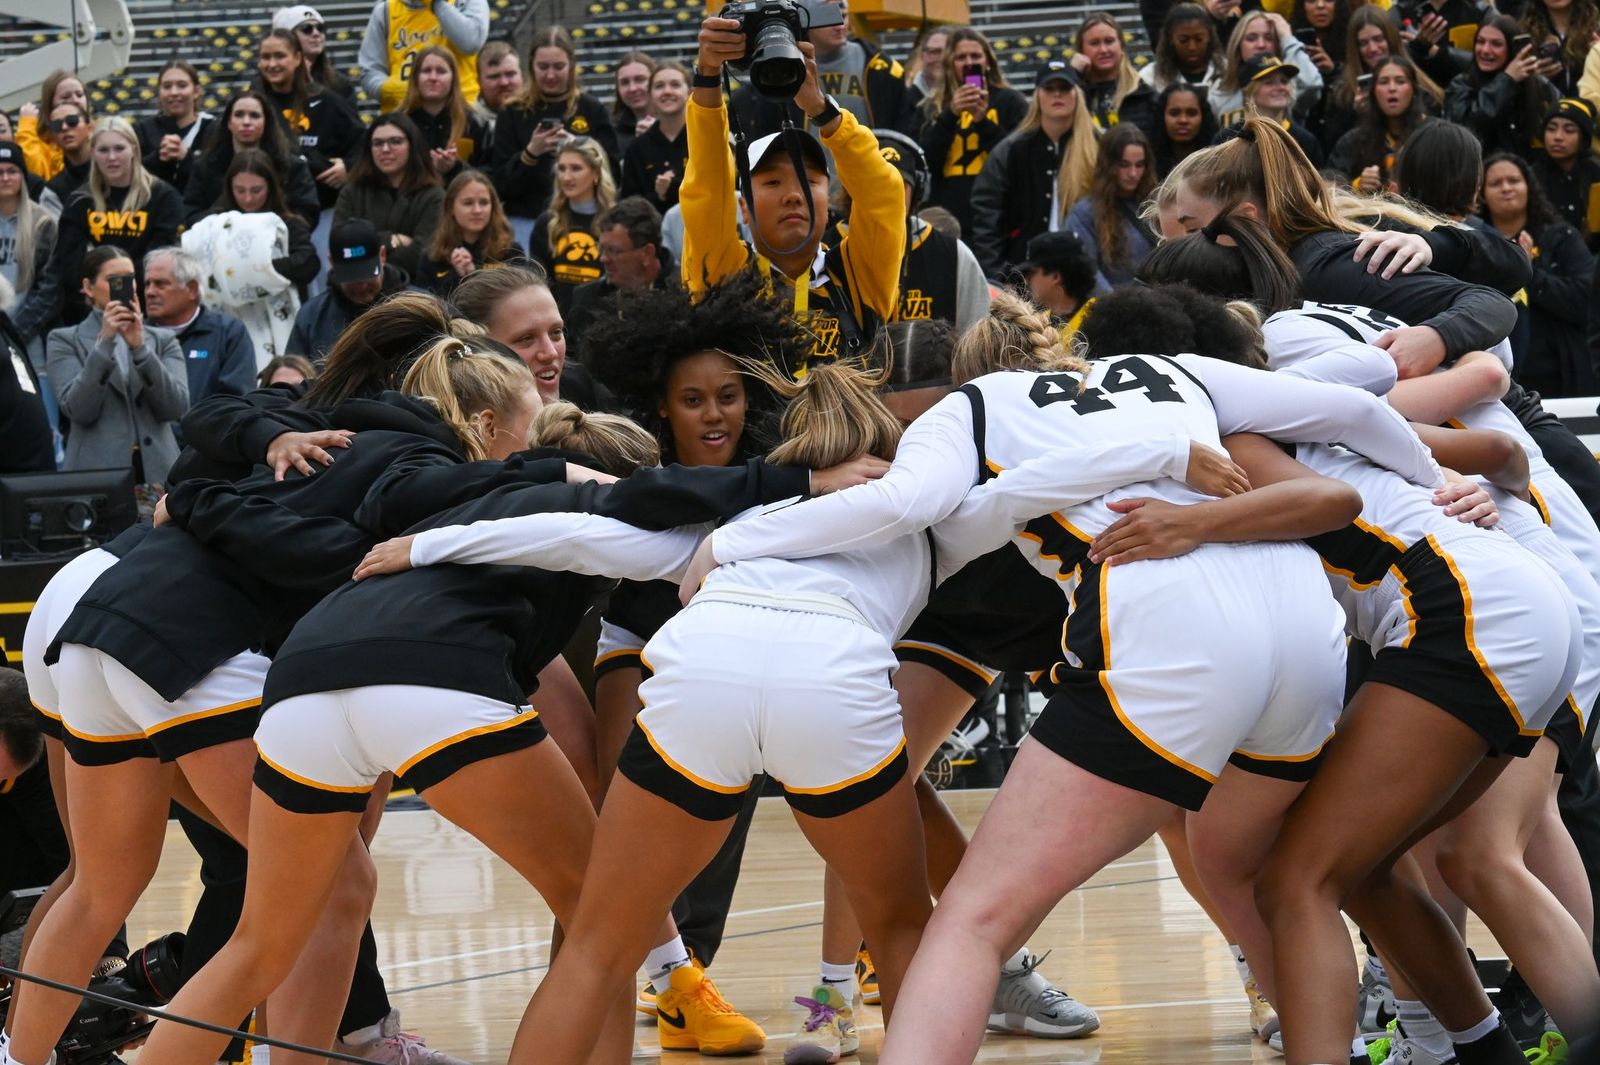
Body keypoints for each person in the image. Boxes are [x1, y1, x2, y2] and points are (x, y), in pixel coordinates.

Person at [675, 286, 1445, 1065]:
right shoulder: (1167, 369)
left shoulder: (971, 414)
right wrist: (1436, 484)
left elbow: (909, 499)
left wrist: (733, 543)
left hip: (1164, 615)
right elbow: (1354, 411)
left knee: (975, 917)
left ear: (963, 376)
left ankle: (873, 993)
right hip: (1297, 624)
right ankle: (838, 992)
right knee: (1264, 877)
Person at [684, 12, 907, 368]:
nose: (793, 194)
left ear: (828, 198)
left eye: (810, 180)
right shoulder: (726, 273)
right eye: (772, 182)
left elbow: (884, 193)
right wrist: (708, 77)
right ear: (743, 207)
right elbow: (707, 188)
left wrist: (821, 110)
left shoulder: (859, 274)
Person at [14, 116, 185, 346]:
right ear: (93, 153)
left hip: (148, 316)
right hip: (88, 319)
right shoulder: (79, 203)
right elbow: (69, 268)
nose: (112, 157)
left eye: (119, 148)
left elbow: (157, 262)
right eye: (103, 150)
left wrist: (111, 284)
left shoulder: (163, 197)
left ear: (134, 149)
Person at [45, 245, 188, 484]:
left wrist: (141, 350)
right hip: (97, 475)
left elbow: (176, 408)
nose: (124, 287)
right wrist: (105, 344)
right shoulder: (63, 340)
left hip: (159, 473)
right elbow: (79, 410)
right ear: (88, 287)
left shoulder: (163, 339)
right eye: (113, 280)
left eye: (129, 279)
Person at [1480, 151, 1599, 394]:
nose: (1506, 188)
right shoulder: (1474, 244)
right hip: (1495, 377)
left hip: (1561, 376)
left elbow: (1585, 301)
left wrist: (1529, 272)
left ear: (1529, 187)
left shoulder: (1561, 238)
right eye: (1495, 183)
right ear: (1481, 194)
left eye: (1514, 181)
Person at [970, 60, 1099, 281]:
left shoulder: (1099, 146)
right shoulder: (1010, 150)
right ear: (1037, 96)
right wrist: (997, 274)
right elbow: (986, 213)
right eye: (1049, 88)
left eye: (1065, 88)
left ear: (1077, 94)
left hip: (1087, 271)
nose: (1057, 94)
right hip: (1024, 272)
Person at [489, 26, 620, 227]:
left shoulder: (592, 109)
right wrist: (530, 153)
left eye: (558, 67)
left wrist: (577, 148)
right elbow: (500, 184)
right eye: (543, 67)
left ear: (571, 65)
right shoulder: (512, 112)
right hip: (524, 219)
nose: (550, 75)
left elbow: (613, 176)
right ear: (531, 65)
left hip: (583, 219)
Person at [729, 0, 912, 137]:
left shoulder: (883, 68)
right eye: (829, 16)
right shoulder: (781, 67)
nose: (840, 24)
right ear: (805, 19)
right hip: (807, 180)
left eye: (844, 15)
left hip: (864, 175)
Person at [915, 27, 1028, 237]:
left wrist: (981, 121)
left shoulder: (1011, 101)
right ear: (950, 64)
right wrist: (950, 114)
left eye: (976, 56)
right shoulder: (931, 106)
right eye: (961, 57)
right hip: (948, 219)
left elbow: (1019, 159)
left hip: (1000, 215)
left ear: (988, 62)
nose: (969, 62)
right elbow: (924, 160)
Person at [873, 128, 990, 331]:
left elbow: (980, 347)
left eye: (898, 185)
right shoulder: (827, 252)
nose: (887, 194)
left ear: (917, 194)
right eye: (876, 183)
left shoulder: (954, 256)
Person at [452, 262, 610, 407]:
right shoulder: (444, 429)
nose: (550, 353)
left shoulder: (583, 392)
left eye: (556, 333)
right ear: (478, 347)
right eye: (526, 339)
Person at [254, 29, 365, 215]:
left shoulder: (328, 101)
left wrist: (349, 167)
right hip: (267, 211)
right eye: (266, 57)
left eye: (280, 56)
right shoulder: (254, 105)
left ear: (298, 58)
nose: (272, 64)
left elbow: (364, 142)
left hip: (325, 208)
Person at [182, 90, 321, 227]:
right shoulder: (205, 166)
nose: (246, 122)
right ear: (229, 122)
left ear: (266, 122)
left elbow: (307, 214)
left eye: (254, 116)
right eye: (239, 115)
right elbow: (192, 214)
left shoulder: (291, 166)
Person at [334, 114, 446, 279]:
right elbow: (341, 247)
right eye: (378, 143)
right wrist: (394, 240)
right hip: (358, 285)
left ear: (412, 145)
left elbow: (423, 256)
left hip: (415, 291)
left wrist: (368, 255)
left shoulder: (433, 195)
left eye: (395, 141)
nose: (385, 149)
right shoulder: (352, 192)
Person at [142, 246, 256, 406]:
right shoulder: (135, 338)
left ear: (192, 289)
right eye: (147, 284)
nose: (149, 292)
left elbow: (236, 402)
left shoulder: (228, 333)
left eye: (160, 284)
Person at [288, 220, 414, 359]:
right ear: (331, 263)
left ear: (382, 256)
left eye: (367, 275)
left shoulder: (417, 308)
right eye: (351, 277)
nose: (361, 286)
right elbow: (293, 372)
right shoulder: (311, 317)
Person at [207, 147, 322, 296]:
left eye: (256, 191)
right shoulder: (215, 222)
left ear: (270, 187)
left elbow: (308, 263)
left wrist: (260, 268)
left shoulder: (288, 224)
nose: (248, 199)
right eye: (240, 190)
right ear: (230, 188)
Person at [1444, 15, 1561, 158]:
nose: (1485, 50)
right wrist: (1507, 80)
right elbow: (1468, 128)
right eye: (1480, 42)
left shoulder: (1538, 84)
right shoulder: (1461, 84)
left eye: (1496, 44)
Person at [566, 196, 672, 350]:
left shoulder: (683, 295)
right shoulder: (586, 299)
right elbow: (573, 362)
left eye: (613, 251)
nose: (603, 259)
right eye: (601, 248)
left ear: (647, 253)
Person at [529, 136, 615, 315]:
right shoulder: (547, 223)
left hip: (605, 323)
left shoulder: (615, 222)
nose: (566, 177)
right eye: (561, 168)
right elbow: (539, 284)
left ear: (596, 174)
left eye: (576, 168)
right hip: (559, 326)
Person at [1066, 125, 1157, 290]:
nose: (1133, 173)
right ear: (1108, 165)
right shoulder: (1084, 214)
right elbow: (1089, 272)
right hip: (1114, 305)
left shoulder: (1155, 205)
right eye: (1124, 165)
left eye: (1139, 165)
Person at [1330, 54, 1438, 189]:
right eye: (1383, 82)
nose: (1392, 88)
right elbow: (1331, 181)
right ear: (1373, 92)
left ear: (1414, 90)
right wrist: (1357, 185)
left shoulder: (1434, 134)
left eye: (1400, 81)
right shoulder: (1354, 140)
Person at [357, 0, 488, 111]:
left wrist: (436, 3)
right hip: (403, 116)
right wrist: (396, 90)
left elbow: (471, 43)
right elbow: (369, 72)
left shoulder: (467, 2)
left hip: (458, 111)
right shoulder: (385, 10)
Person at [416, 168, 524, 297]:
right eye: (468, 203)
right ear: (451, 208)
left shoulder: (511, 252)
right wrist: (457, 276)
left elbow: (520, 300)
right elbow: (431, 308)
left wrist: (475, 276)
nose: (477, 210)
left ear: (493, 207)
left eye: (484, 203)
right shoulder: (432, 257)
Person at [1210, 10, 1325, 125]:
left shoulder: (1287, 87)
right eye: (1251, 38)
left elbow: (1311, 84)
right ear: (1238, 44)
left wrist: (1287, 38)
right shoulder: (1220, 90)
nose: (1261, 45)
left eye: (1269, 38)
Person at [402, 45, 492, 182]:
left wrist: (455, 167)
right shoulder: (399, 123)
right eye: (426, 71)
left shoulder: (475, 123)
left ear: (453, 79)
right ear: (415, 78)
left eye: (441, 71)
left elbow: (492, 174)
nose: (433, 77)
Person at [1217, 55, 1327, 163]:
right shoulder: (1227, 138)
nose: (1280, 87)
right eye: (1269, 82)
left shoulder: (1306, 141)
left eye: (1284, 81)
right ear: (1249, 91)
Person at [135, 59, 217, 196]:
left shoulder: (213, 128)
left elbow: (216, 178)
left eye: (182, 85)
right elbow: (133, 178)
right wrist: (158, 158)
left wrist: (186, 158)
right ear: (159, 92)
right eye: (167, 86)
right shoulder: (143, 129)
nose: (174, 92)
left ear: (196, 91)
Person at [1073, 12, 1159, 137]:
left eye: (1109, 41)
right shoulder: (1073, 94)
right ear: (1081, 50)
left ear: (1121, 45)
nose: (1103, 50)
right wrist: (1073, 75)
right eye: (1094, 43)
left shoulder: (1145, 94)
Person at [620, 63, 689, 214]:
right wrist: (659, 195)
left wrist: (675, 186)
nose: (667, 91)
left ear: (689, 92)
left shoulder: (705, 140)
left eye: (675, 85)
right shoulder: (637, 149)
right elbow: (629, 209)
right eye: (659, 86)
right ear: (650, 95)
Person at [0, 140, 57, 324]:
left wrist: (18, 329)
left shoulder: (43, 223)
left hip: (25, 329)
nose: (5, 178)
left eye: (12, 171)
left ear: (23, 176)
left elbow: (49, 289)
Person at [1531, 97, 1600, 246]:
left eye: (1569, 130)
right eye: (1551, 129)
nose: (1558, 137)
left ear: (1583, 138)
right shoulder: (1533, 175)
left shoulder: (1595, 174)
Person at [1017, 230, 1099, 338]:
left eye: (1032, 273)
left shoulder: (1097, 321)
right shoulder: (1037, 322)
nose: (1026, 280)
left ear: (1055, 276)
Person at [15, 71, 88, 182]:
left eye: (79, 95)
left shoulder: (101, 132)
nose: (75, 100)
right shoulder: (39, 141)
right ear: (50, 104)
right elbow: (36, 176)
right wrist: (26, 129)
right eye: (65, 97)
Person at [273, 4, 355, 101]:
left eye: (320, 28)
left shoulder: (340, 84)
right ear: (288, 37)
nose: (316, 33)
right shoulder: (269, 83)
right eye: (306, 29)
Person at [1139, 2, 1224, 93]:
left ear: (1209, 37)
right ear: (1170, 39)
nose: (1192, 47)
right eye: (1183, 40)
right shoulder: (1149, 78)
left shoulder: (1228, 72)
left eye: (1199, 39)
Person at [1520, 0, 1598, 96]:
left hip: (1589, 107)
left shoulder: (1596, 28)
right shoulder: (1523, 34)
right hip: (1546, 108)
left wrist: (1596, 57)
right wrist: (1533, 78)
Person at [1153, 82, 1221, 175]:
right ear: (1161, 116)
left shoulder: (1219, 161)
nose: (1183, 120)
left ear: (1203, 116)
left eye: (1191, 113)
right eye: (1174, 113)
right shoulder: (1148, 164)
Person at [38, 101, 93, 211]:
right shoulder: (53, 190)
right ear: (53, 136)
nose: (64, 127)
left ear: (89, 127)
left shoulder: (115, 169)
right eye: (56, 125)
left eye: (72, 121)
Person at [611, 50, 658, 157]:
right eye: (624, 82)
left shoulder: (681, 124)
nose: (632, 88)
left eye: (640, 79)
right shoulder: (611, 132)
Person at [1292, 0, 1349, 80]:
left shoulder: (1353, 42)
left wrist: (1333, 71)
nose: (1320, 5)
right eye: (1312, 1)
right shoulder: (1289, 43)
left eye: (1328, 0)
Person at [477, 39, 525, 118]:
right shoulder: (466, 123)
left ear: (522, 76)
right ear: (479, 82)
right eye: (494, 77)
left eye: (510, 74)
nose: (504, 82)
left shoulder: (539, 113)